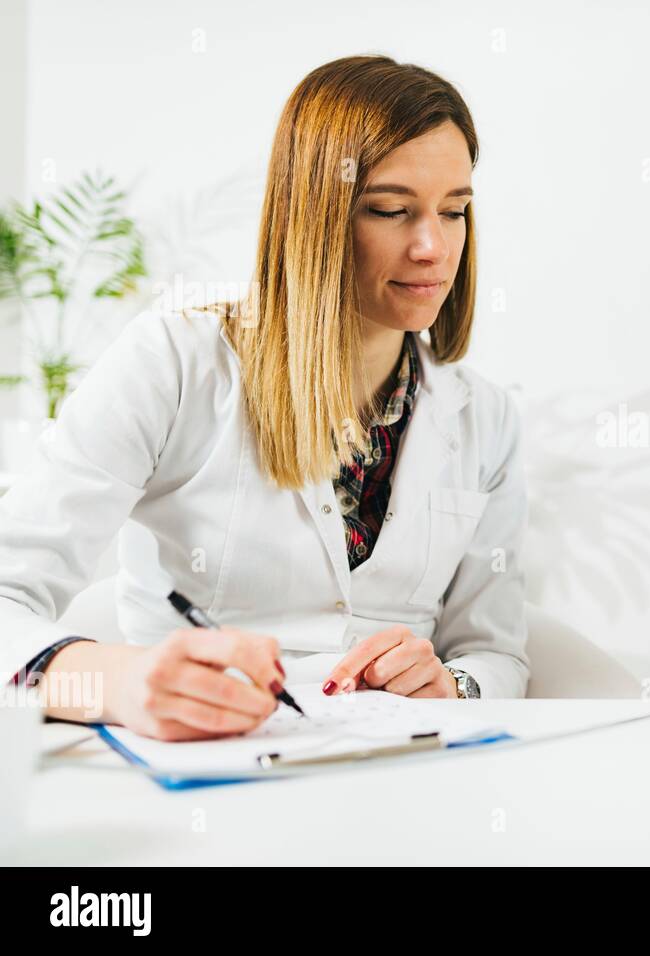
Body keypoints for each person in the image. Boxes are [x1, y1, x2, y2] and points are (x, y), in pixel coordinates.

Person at [0, 55, 528, 740]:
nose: (433, 246)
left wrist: (453, 687)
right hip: (210, 761)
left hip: (401, 765)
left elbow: (496, 653)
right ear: (315, 214)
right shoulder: (175, 363)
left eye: (454, 211)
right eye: (392, 210)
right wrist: (122, 682)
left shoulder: (485, 417)